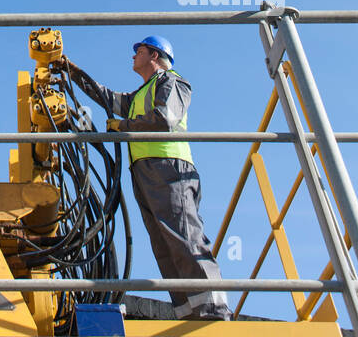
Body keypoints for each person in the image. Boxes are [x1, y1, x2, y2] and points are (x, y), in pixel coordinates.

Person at [58, 35, 231, 320]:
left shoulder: (172, 82)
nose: (132, 56)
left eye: (138, 51)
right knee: (163, 245)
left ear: (154, 55)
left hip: (169, 168)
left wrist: (123, 126)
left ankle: (213, 308)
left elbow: (165, 120)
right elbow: (106, 97)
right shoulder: (141, 94)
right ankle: (189, 312)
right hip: (144, 173)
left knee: (183, 235)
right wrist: (73, 72)